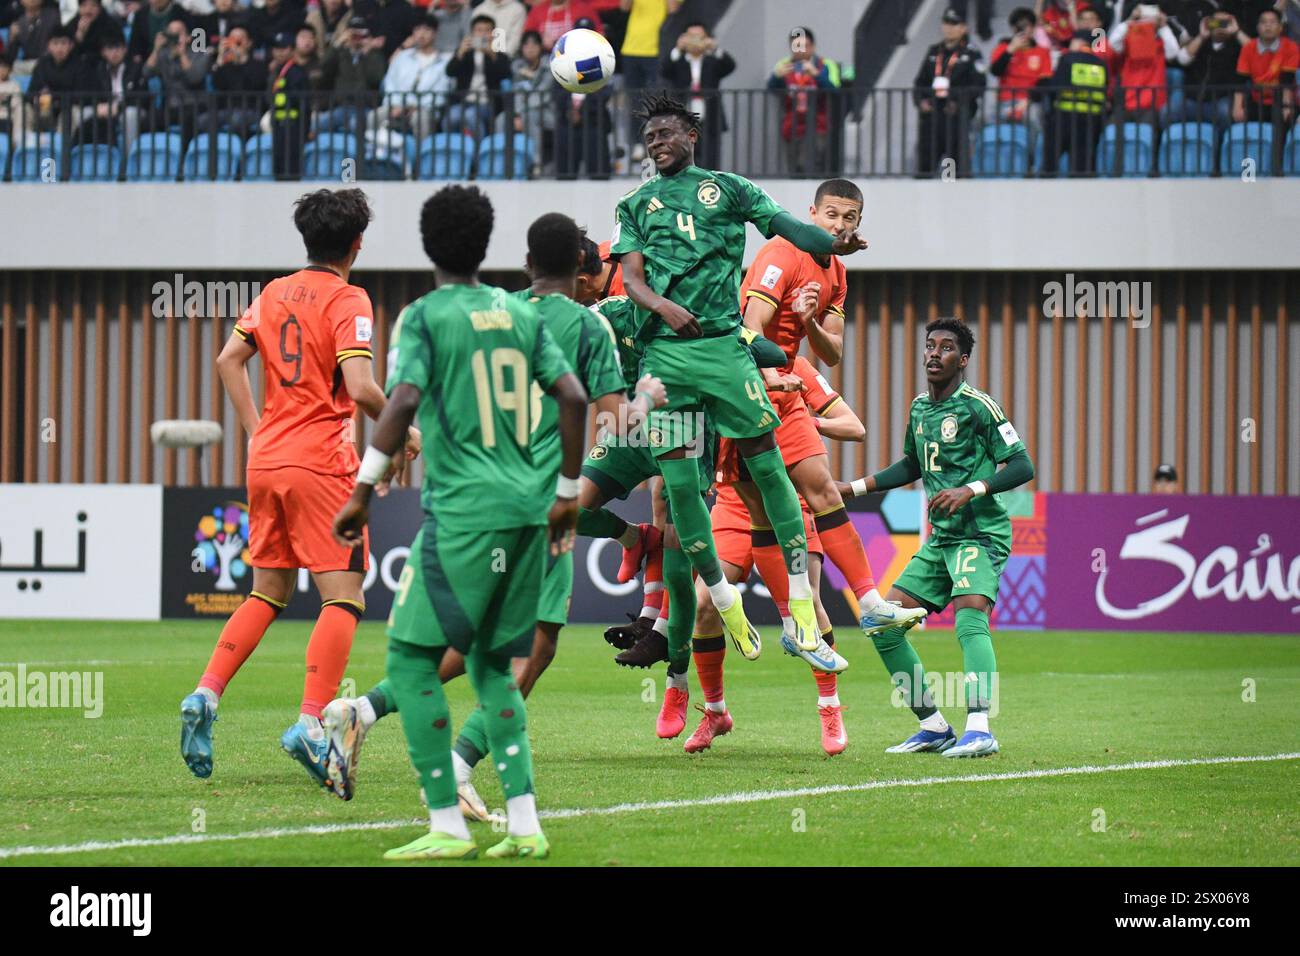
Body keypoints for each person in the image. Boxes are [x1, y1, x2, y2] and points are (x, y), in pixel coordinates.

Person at [324, 214, 665, 822]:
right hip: (536, 504)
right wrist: (648, 398)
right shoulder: (588, 325)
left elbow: (415, 396)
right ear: (583, 268)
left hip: (470, 497)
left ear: (527, 263)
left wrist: (372, 479)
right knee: (536, 645)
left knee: (476, 641)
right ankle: (457, 771)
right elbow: (611, 420)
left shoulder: (495, 313)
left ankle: (364, 711)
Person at [329, 186, 588, 861]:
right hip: (529, 511)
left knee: (410, 660)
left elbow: (402, 400)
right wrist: (566, 491)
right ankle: (525, 827)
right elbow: (573, 395)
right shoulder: (518, 313)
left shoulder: (424, 316)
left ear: (428, 245)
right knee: (495, 666)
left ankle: (447, 823)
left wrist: (363, 488)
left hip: (465, 515)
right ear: (487, 243)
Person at [611, 93, 879, 711]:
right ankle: (725, 599)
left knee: (769, 465)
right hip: (667, 357)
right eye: (649, 136)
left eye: (667, 132)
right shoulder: (634, 205)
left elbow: (789, 227)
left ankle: (802, 604)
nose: (656, 142)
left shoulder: (730, 189)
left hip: (728, 352)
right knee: (678, 487)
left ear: (691, 136)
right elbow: (632, 281)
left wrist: (833, 245)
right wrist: (662, 308)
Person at [179, 189, 419, 787]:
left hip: (266, 461)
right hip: (320, 463)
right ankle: (312, 723)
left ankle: (206, 694)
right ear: (357, 243)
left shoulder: (274, 292)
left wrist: (257, 431)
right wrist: (404, 430)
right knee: (344, 598)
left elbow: (227, 360)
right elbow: (360, 388)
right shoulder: (349, 298)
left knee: (268, 592)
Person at [837, 316, 1035, 758]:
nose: (934, 353)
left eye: (946, 348)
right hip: (941, 540)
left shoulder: (979, 406)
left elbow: (1023, 465)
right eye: (930, 345)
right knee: (882, 623)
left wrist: (971, 490)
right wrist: (852, 488)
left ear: (963, 360)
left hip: (980, 534)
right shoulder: (919, 409)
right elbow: (912, 465)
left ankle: (980, 729)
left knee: (970, 617)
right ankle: (932, 726)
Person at [735, 177, 923, 641]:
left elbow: (833, 352)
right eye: (831, 215)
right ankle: (784, 620)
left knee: (823, 490)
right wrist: (770, 374)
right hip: (744, 388)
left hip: (785, 390)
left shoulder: (837, 272)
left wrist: (807, 322)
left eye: (849, 218)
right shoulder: (781, 253)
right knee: (758, 514)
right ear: (812, 214)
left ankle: (870, 604)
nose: (839, 225)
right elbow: (749, 327)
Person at [688, 355, 867, 756]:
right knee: (703, 603)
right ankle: (715, 712)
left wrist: (805, 422)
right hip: (734, 504)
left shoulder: (792, 366)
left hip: (788, 502)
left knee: (810, 604)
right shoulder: (717, 364)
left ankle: (830, 708)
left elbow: (854, 427)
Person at [913, 8, 986, 178]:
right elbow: (920, 82)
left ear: (963, 28)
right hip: (932, 116)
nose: (949, 28)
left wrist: (958, 102)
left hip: (956, 119)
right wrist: (921, 101)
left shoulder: (971, 53)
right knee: (925, 163)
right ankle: (922, 189)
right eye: (946, 23)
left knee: (952, 168)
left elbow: (978, 86)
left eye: (954, 24)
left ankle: (951, 191)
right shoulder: (933, 51)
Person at [767, 25, 842, 177]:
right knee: (795, 168)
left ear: (813, 46)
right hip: (791, 125)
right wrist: (776, 77)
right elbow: (772, 88)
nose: (800, 50)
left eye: (805, 45)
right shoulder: (784, 65)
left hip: (818, 124)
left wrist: (816, 74)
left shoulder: (826, 64)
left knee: (810, 163)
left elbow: (835, 90)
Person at [659, 20, 734, 171]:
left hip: (709, 113)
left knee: (710, 152)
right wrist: (677, 48)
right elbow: (664, 70)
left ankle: (709, 180)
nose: (695, 41)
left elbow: (730, 66)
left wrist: (715, 48)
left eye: (699, 37)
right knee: (683, 152)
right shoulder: (679, 60)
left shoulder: (712, 60)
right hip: (684, 113)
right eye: (691, 36)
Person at [1232, 7, 1297, 171]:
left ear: (1280, 27)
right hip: (1257, 99)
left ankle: (1277, 170)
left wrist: (1286, 106)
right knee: (1242, 127)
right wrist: (1237, 107)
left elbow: (1287, 81)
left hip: (1280, 99)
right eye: (1263, 22)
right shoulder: (1249, 48)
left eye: (1272, 22)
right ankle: (1247, 172)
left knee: (1281, 122)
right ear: (1257, 27)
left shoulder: (1290, 47)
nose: (1268, 26)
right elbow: (1241, 81)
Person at [1037, 28, 1109, 176]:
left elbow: (1055, 87)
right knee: (1082, 163)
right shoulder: (1101, 64)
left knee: (1051, 159)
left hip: (1065, 116)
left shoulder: (1068, 58)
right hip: (1091, 119)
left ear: (1079, 42)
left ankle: (1045, 183)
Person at [619, 0, 682, 159]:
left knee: (657, 100)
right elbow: (624, 7)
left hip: (656, 51)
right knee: (634, 100)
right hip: (631, 49)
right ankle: (636, 143)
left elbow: (673, 8)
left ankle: (659, 142)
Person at [1166, 11, 1243, 138]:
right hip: (1192, 99)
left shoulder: (1236, 47)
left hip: (1219, 100)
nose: (1220, 27)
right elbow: (1182, 59)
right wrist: (1201, 36)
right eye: (1216, 23)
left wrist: (1237, 32)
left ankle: (1219, 147)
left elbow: (1255, 52)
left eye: (1224, 23)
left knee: (1226, 114)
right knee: (1168, 113)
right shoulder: (1200, 43)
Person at [382, 13, 452, 137]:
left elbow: (442, 91)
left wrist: (414, 107)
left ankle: (422, 150)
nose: (421, 34)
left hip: (426, 110)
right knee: (374, 116)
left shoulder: (445, 61)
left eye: (427, 30)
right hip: (397, 106)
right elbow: (390, 83)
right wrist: (396, 104)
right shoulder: (402, 57)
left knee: (420, 118)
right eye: (418, 29)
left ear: (435, 33)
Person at [1108, 3, 1180, 124]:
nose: (1148, 19)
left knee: (1145, 132)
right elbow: (1113, 43)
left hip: (1152, 105)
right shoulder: (1128, 40)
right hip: (1128, 102)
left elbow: (1173, 53)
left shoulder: (1161, 42)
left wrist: (1163, 26)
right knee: (1111, 131)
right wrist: (1131, 20)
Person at [444, 11, 510, 139]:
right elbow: (449, 72)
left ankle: (478, 148)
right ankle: (452, 148)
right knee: (451, 116)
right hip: (464, 101)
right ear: (472, 33)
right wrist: (460, 53)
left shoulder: (500, 55)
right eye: (479, 30)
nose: (483, 34)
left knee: (470, 115)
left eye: (487, 30)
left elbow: (506, 74)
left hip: (487, 103)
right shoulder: (464, 53)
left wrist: (492, 55)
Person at [990, 7, 1053, 127]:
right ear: (1013, 28)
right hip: (1004, 101)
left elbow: (1045, 80)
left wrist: (1027, 101)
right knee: (985, 120)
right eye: (1018, 26)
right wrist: (1010, 50)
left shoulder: (1043, 52)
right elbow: (995, 71)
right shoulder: (1003, 48)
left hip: (1031, 102)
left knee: (1033, 118)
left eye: (1026, 25)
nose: (1022, 29)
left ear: (1033, 28)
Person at [524, 0, 606, 51]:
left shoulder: (583, 8)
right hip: (544, 60)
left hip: (577, 56)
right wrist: (541, 43)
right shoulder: (537, 11)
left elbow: (600, 36)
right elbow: (527, 38)